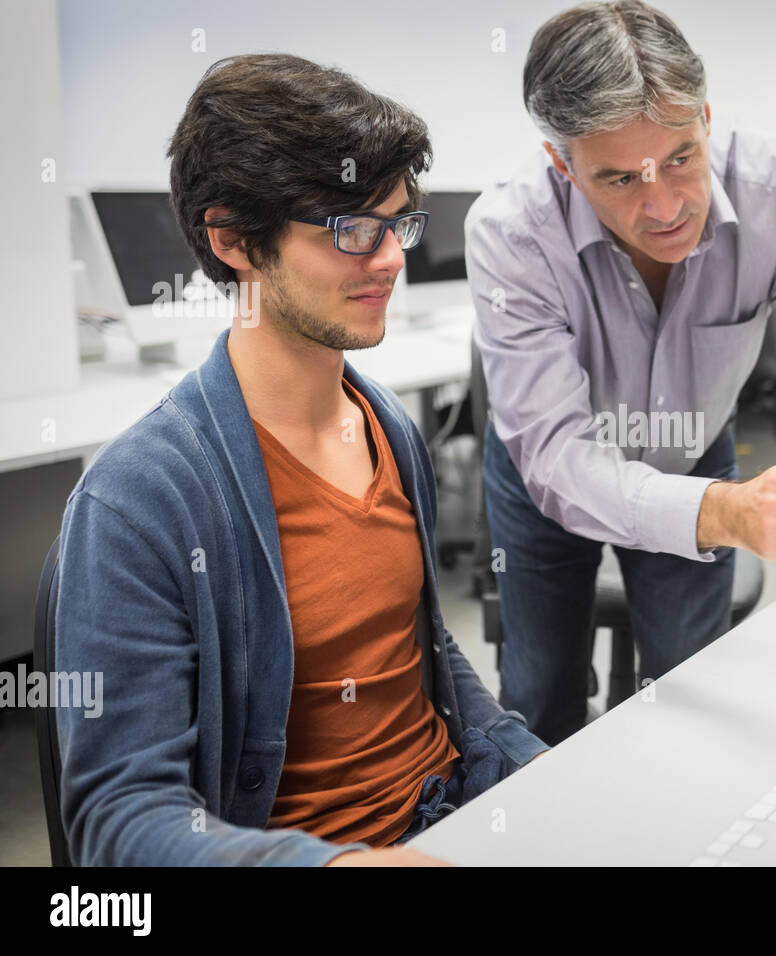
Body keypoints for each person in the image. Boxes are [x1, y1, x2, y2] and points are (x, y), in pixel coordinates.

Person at [54, 53, 546, 867]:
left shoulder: (385, 425)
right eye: (353, 229)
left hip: (452, 821)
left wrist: (536, 771)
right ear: (234, 240)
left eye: (399, 224)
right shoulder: (138, 502)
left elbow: (422, 653)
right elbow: (120, 823)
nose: (390, 258)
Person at [467, 0, 776, 746]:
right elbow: (558, 455)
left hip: (697, 454)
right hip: (548, 483)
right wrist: (727, 514)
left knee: (693, 692)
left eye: (680, 159)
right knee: (540, 699)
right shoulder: (510, 232)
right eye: (620, 180)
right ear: (560, 164)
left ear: (705, 116)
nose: (665, 206)